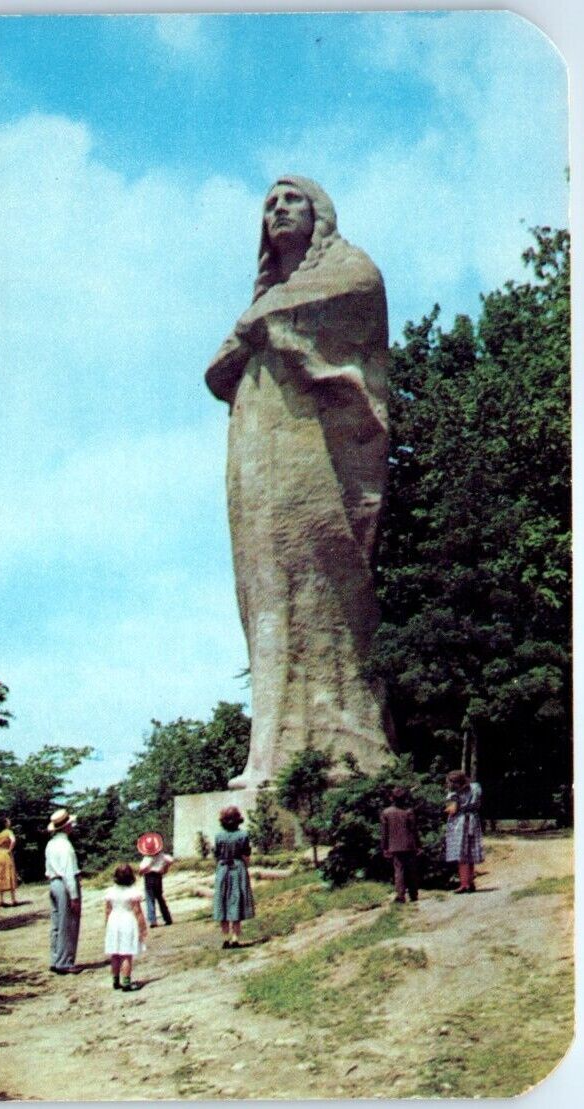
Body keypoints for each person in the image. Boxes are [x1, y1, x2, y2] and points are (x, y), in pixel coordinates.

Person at [205, 177, 394, 789]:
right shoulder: (274, 296)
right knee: (262, 587)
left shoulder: (349, 271)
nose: (279, 210)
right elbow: (217, 368)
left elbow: (260, 328)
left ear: (320, 215)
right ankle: (269, 750)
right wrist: (256, 330)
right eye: (269, 204)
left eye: (293, 200)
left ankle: (341, 747)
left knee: (313, 578)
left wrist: (259, 327)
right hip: (257, 438)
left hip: (309, 452)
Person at [44, 808, 82, 973]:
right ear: (66, 826)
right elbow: (68, 874)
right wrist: (74, 896)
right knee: (69, 923)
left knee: (57, 924)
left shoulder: (51, 844)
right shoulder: (66, 846)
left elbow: (48, 868)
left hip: (53, 883)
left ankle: (56, 958)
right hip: (64, 884)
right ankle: (65, 962)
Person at [212, 806, 254, 947]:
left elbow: (216, 855)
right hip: (238, 868)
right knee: (236, 900)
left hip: (223, 868)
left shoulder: (218, 836)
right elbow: (246, 855)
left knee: (222, 900)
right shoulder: (243, 835)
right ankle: (235, 937)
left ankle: (225, 938)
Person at [103, 864, 147, 992]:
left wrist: (107, 926)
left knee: (115, 953)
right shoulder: (132, 892)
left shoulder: (110, 892)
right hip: (127, 920)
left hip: (113, 920)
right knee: (126, 953)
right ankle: (127, 983)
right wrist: (142, 927)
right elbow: (137, 911)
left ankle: (116, 981)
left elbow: (107, 910)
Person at [444, 770, 484, 893]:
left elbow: (453, 809)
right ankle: (471, 882)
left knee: (461, 854)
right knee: (470, 853)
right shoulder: (475, 787)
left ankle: (464, 884)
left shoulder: (455, 793)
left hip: (461, 823)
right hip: (473, 820)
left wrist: (446, 809)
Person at [380, 786, 420, 903]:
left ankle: (400, 895)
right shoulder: (409, 811)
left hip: (395, 846)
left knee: (399, 871)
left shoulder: (386, 812)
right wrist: (418, 845)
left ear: (391, 798)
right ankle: (414, 894)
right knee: (412, 870)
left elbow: (384, 833)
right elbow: (414, 830)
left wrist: (384, 848)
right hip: (409, 845)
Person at [137, 832, 173, 928]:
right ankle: (167, 918)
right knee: (160, 898)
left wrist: (140, 873)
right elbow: (170, 860)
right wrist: (165, 869)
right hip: (158, 877)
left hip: (149, 877)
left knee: (150, 898)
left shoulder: (147, 858)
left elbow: (143, 868)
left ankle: (153, 920)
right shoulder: (162, 856)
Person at [0, 815, 19, 908]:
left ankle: (1, 900)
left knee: (0, 875)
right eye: (8, 821)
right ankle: (13, 900)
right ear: (5, 823)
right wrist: (10, 849)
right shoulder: (8, 831)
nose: (9, 822)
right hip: (6, 854)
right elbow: (13, 840)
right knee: (9, 873)